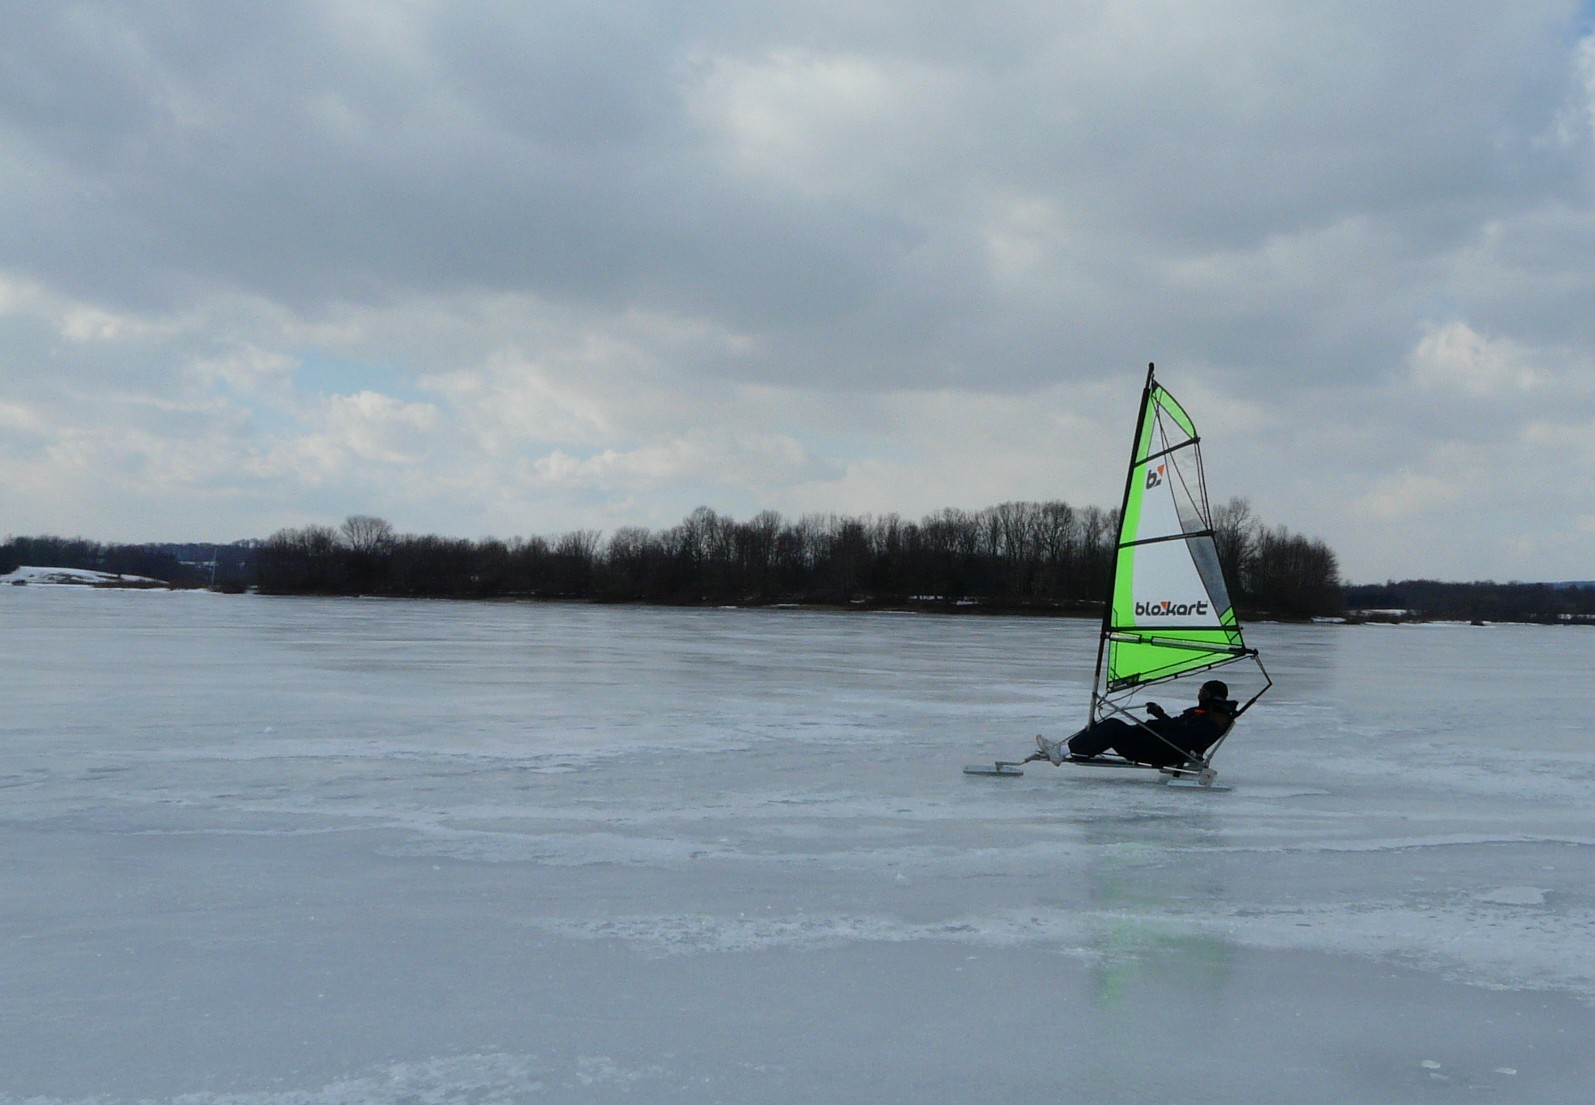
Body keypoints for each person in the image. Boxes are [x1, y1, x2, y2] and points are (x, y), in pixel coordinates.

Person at [1036, 680, 1238, 768]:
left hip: (1163, 752)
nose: (1198, 693)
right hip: (1159, 745)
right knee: (1108, 725)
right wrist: (1151, 722)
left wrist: (1161, 716)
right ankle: (1071, 748)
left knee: (1114, 727)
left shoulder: (1214, 720)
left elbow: (1184, 736)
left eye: (1202, 691)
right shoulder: (1203, 713)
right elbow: (1177, 729)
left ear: (1210, 695)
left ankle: (1063, 752)